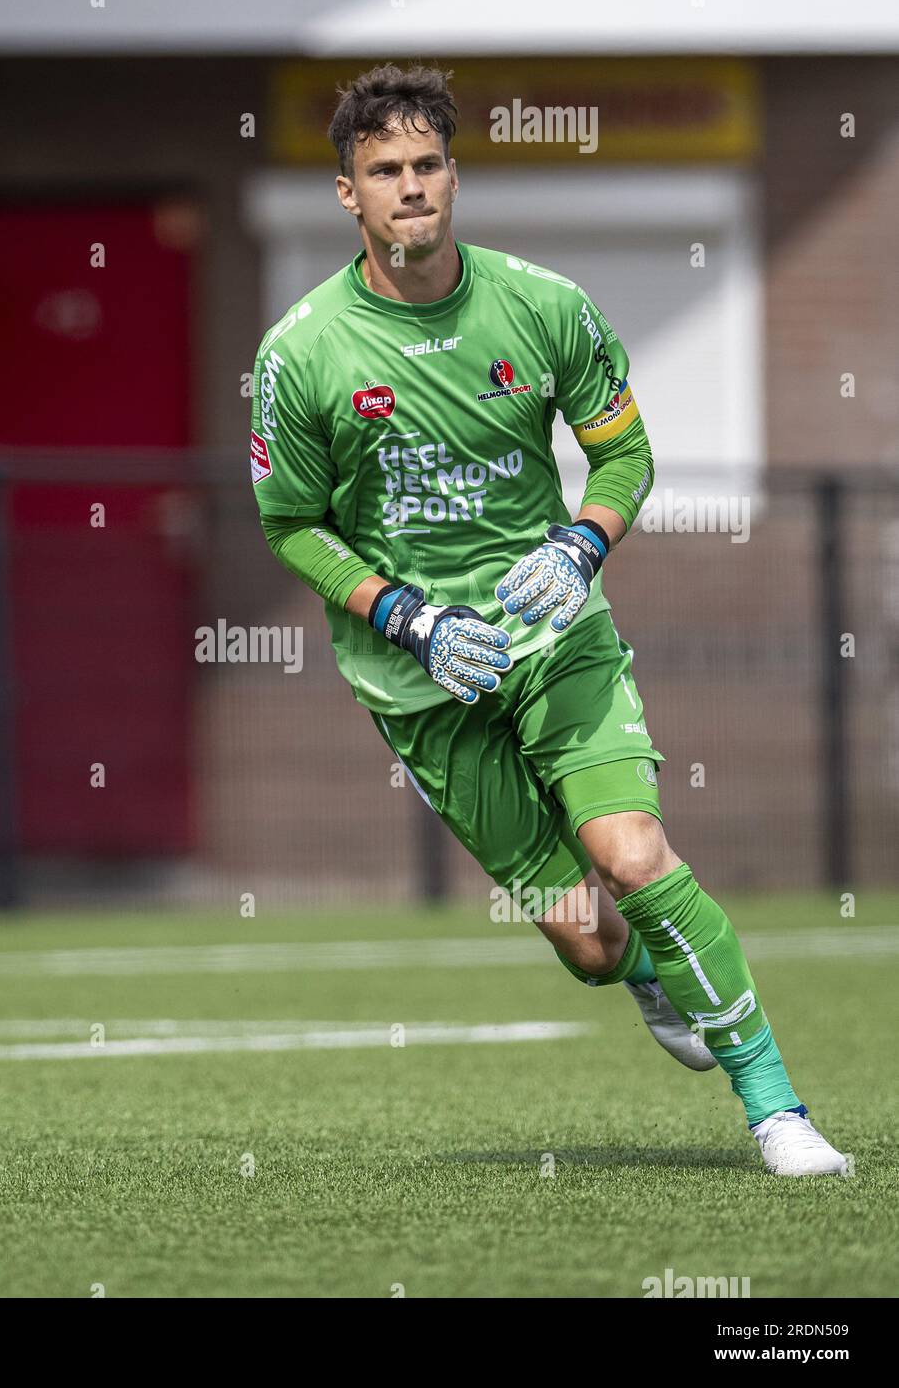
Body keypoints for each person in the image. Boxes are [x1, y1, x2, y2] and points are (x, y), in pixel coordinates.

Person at [248, 62, 846, 1176]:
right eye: (384, 172)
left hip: (553, 638)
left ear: (454, 177)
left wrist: (581, 541)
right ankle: (655, 973)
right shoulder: (302, 350)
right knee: (585, 936)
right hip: (421, 680)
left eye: (427, 166)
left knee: (630, 852)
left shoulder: (543, 304)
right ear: (348, 196)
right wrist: (410, 617)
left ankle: (776, 1108)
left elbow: (623, 452)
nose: (410, 188)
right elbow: (290, 525)